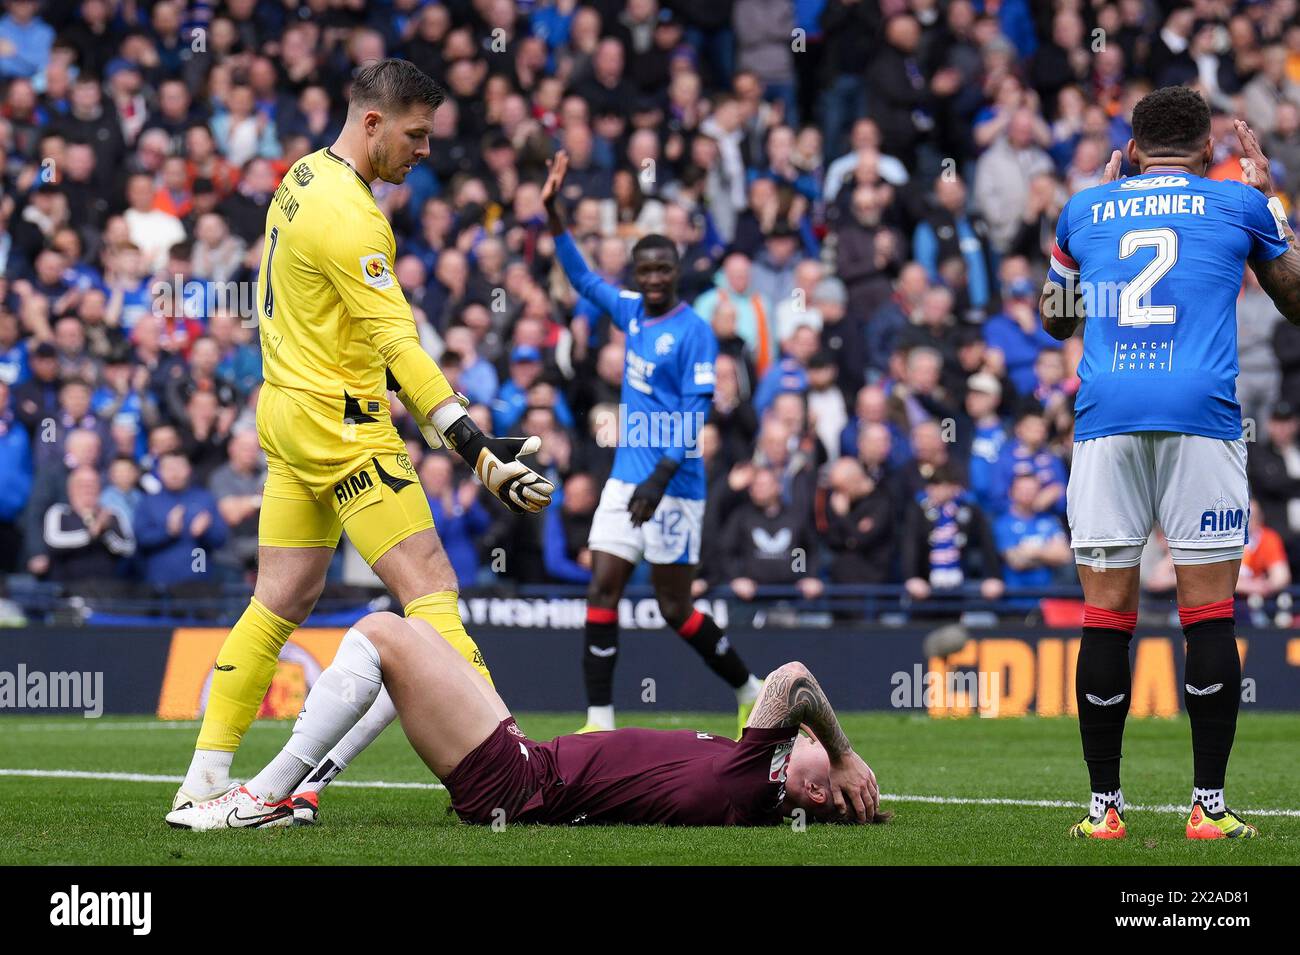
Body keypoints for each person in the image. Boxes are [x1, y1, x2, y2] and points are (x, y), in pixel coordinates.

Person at [172, 60, 556, 816]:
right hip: (342, 426)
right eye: (414, 134)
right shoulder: (353, 215)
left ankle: (202, 783)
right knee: (430, 586)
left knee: (281, 595)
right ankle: (509, 772)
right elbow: (398, 346)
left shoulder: (299, 175)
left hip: (285, 412)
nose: (424, 150)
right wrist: (474, 445)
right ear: (372, 123)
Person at [1041, 86, 1300, 840]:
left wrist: (1105, 206)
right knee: (1209, 612)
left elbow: (1058, 318)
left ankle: (1103, 811)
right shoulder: (1236, 202)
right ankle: (1208, 809)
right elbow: (1296, 301)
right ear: (1209, 147)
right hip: (1202, 419)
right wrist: (1271, 199)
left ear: (1132, 144)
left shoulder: (1085, 207)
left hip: (1107, 419)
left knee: (1106, 615)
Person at [165, 611, 884, 830]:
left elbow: (792, 679)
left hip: (520, 781)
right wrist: (831, 758)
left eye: (817, 749)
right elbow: (793, 702)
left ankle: (262, 795)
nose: (811, 735)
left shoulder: (752, 775)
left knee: (383, 632)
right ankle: (303, 793)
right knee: (425, 642)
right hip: (529, 761)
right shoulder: (756, 771)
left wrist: (847, 754)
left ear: (815, 790)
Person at [543, 148, 766, 737]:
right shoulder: (633, 313)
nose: (655, 279)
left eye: (664, 269)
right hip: (626, 480)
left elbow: (697, 414)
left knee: (674, 609)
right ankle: (599, 720)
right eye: (646, 272)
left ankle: (751, 689)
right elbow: (583, 279)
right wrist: (554, 214)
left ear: (677, 268)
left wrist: (660, 479)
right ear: (637, 277)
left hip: (677, 482)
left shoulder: (694, 332)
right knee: (602, 586)